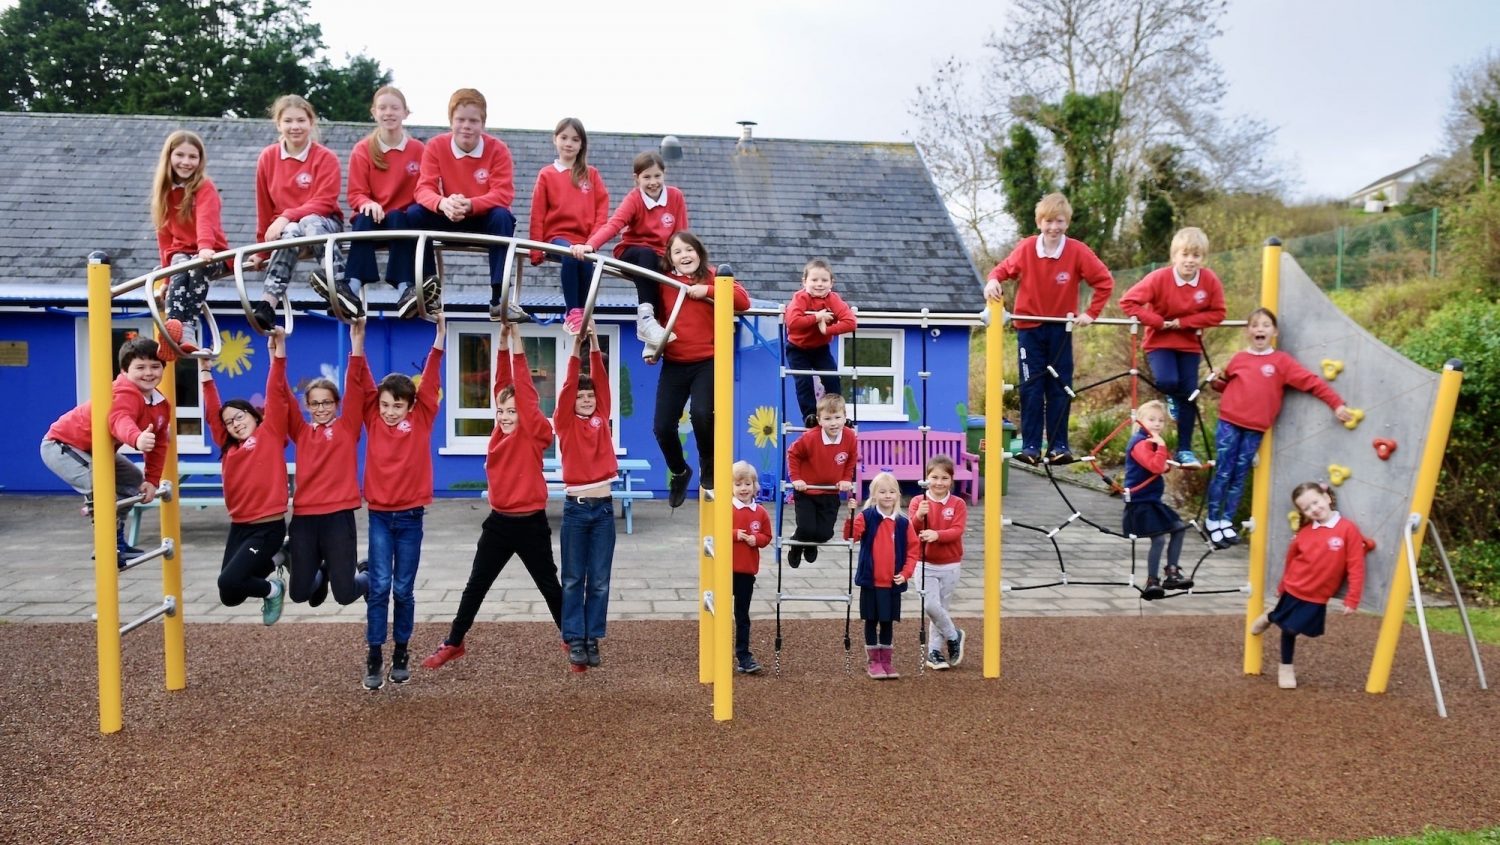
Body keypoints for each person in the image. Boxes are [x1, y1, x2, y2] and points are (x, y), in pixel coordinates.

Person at [422, 322, 564, 670]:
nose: (504, 417)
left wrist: (516, 341)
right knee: (476, 584)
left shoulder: (532, 432)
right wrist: (501, 344)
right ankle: (454, 642)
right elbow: (502, 386)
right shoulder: (499, 432)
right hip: (499, 524)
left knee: (549, 585)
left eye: (512, 412)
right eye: (500, 412)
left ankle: (572, 638)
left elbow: (524, 392)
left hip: (531, 524)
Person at [982, 192, 1113, 466]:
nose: (1054, 227)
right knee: (1031, 387)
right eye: (1048, 221)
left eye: (1060, 221)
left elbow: (1104, 281)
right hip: (1029, 328)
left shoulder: (1077, 251)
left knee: (1059, 386)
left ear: (1067, 223)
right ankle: (1030, 446)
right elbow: (1001, 271)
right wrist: (993, 281)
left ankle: (1058, 446)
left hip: (1060, 329)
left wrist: (1091, 313)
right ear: (1039, 222)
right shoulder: (1027, 248)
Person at [1206, 308, 1354, 548]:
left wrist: (1336, 404)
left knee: (1240, 475)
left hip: (1255, 427)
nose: (1260, 329)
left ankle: (1226, 520)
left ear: (1274, 331)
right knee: (1224, 471)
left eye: (1266, 325)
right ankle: (1212, 520)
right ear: (1248, 331)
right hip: (1229, 422)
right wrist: (1215, 382)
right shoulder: (1238, 359)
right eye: (1255, 325)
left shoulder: (1282, 362)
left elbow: (1312, 383)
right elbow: (1227, 386)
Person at [354, 316, 445, 690]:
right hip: (379, 516)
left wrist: (440, 338)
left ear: (411, 406)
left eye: (397, 405)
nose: (390, 411)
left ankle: (401, 653)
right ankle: (375, 655)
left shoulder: (422, 418)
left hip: (410, 518)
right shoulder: (372, 419)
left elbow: (432, 379)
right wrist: (357, 342)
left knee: (403, 589)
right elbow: (360, 382)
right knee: (379, 588)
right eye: (385, 405)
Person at [40, 337, 170, 568]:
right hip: (62, 445)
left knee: (132, 480)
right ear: (125, 371)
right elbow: (119, 420)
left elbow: (159, 443)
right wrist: (137, 438)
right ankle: (105, 544)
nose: (149, 373)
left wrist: (152, 480)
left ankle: (116, 540)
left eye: (155, 366)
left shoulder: (160, 403)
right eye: (140, 367)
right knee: (101, 484)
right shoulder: (123, 392)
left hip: (97, 452)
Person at [278, 320, 369, 616]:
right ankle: (322, 567)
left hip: (338, 518)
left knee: (345, 595)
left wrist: (357, 342)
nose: (321, 408)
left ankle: (369, 573)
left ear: (337, 404)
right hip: (304, 519)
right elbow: (282, 395)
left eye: (327, 402)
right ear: (307, 406)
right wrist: (277, 352)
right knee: (299, 593)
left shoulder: (347, 427)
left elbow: (355, 386)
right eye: (315, 404)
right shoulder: (302, 432)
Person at [200, 330, 291, 625]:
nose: (235, 424)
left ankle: (273, 588)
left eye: (240, 416)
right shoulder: (229, 448)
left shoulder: (269, 433)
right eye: (229, 422)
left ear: (254, 415)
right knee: (230, 595)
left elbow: (276, 391)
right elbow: (213, 413)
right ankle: (279, 557)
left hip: (267, 528)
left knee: (229, 580)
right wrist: (205, 371)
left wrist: (277, 352)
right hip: (239, 527)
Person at [653, 232, 750, 507]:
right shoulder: (665, 283)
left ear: (699, 252)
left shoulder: (714, 276)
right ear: (670, 258)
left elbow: (743, 302)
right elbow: (655, 321)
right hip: (674, 362)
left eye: (689, 250)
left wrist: (707, 291)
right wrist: (653, 349)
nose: (684, 256)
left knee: (702, 414)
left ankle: (708, 462)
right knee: (662, 426)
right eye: (677, 252)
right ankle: (679, 471)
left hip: (707, 360)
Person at [1119, 226, 1226, 466]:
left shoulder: (1208, 280)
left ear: (1203, 258)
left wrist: (1185, 322)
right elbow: (1128, 302)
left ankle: (1184, 450)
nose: (1190, 260)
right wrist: (1156, 321)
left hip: (1189, 345)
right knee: (1168, 381)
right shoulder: (1159, 278)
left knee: (1189, 395)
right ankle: (1171, 398)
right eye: (1184, 254)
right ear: (1174, 256)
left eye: (1196, 255)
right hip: (1160, 342)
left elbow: (1218, 312)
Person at [412, 88, 521, 321]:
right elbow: (423, 189)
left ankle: (499, 299)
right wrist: (443, 203)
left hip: (481, 218)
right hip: (448, 215)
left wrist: (470, 204)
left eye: (473, 121)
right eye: (460, 120)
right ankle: (428, 291)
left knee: (502, 216)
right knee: (414, 214)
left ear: (483, 123)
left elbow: (503, 194)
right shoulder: (436, 146)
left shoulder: (498, 149)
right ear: (451, 121)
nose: (466, 126)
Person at [246, 94, 350, 331]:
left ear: (311, 122)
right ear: (278, 124)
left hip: (323, 223)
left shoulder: (325, 157)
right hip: (288, 231)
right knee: (292, 231)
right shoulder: (268, 158)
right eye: (288, 121)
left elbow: (325, 201)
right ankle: (268, 303)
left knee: (308, 221)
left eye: (301, 120)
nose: (295, 127)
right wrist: (262, 249)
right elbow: (264, 206)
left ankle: (338, 287)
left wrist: (286, 216)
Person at [1251, 481, 1367, 690]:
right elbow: (1291, 560)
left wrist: (1353, 598)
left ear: (1327, 498)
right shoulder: (1304, 532)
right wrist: (1282, 585)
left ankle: (1272, 616)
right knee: (1290, 629)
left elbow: (1356, 564)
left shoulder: (1347, 529)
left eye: (1315, 502)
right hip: (1294, 587)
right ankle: (1286, 667)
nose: (1313, 509)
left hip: (1319, 595)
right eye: (1306, 508)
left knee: (1308, 630)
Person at [572, 151, 690, 355]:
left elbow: (681, 234)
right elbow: (614, 224)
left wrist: (683, 263)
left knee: (667, 278)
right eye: (646, 177)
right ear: (637, 179)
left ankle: (653, 337)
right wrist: (590, 245)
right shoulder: (635, 198)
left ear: (664, 174)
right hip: (633, 252)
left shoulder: (675, 196)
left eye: (657, 176)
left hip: (661, 257)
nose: (653, 182)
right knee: (647, 256)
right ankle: (645, 319)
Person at [554, 326, 617, 670]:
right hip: (577, 511)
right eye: (581, 397)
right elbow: (567, 388)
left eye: (590, 396)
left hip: (603, 510)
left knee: (600, 580)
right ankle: (575, 639)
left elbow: (602, 381)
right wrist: (575, 348)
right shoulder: (564, 422)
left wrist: (593, 341)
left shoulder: (601, 417)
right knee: (574, 578)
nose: (588, 400)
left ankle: (592, 637)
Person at [345, 85, 434, 320]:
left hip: (401, 221)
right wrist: (367, 202)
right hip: (372, 220)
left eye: (394, 108)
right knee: (364, 217)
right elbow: (355, 193)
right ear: (374, 112)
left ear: (405, 113)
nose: (388, 113)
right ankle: (351, 285)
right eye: (382, 108)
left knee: (398, 216)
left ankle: (405, 287)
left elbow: (426, 189)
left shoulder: (419, 150)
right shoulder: (362, 149)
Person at [152, 129, 229, 357]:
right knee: (179, 264)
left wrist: (205, 247)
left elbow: (206, 220)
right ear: (169, 156)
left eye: (192, 157)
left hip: (212, 252)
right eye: (180, 155)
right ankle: (173, 326)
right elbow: (165, 239)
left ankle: (187, 327)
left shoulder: (204, 187)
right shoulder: (164, 192)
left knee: (195, 265)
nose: (186, 162)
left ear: (200, 160)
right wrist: (166, 278)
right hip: (182, 253)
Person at [530, 117, 609, 336]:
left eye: (575, 139)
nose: (569, 143)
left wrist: (592, 242)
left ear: (581, 144)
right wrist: (535, 250)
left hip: (585, 239)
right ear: (555, 139)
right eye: (564, 138)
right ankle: (572, 312)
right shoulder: (547, 174)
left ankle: (583, 312)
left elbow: (602, 212)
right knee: (571, 254)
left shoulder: (591, 175)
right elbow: (537, 214)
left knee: (586, 260)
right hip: (557, 236)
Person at [845, 471, 919, 680]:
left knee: (887, 622)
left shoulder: (903, 522)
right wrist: (851, 515)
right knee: (871, 620)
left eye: (892, 492)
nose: (887, 495)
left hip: (892, 583)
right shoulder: (867, 516)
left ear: (898, 495)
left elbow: (913, 550)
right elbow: (851, 536)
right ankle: (874, 662)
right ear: (874, 495)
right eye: (883, 491)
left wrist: (906, 573)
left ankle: (886, 661)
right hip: (871, 582)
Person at [1122, 400, 1191, 600]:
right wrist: (1160, 446)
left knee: (1178, 528)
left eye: (1161, 420)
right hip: (1140, 502)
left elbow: (1165, 465)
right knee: (1159, 538)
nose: (1157, 424)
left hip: (1152, 500)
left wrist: (1161, 448)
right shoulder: (1139, 443)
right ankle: (1152, 581)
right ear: (1140, 421)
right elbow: (1156, 466)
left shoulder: (1151, 440)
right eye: (1151, 419)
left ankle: (1172, 572)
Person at [785, 393, 857, 568]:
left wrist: (846, 479)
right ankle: (797, 543)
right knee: (807, 528)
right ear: (819, 420)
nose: (833, 423)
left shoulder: (849, 437)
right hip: (807, 491)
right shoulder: (810, 438)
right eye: (827, 418)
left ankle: (812, 542)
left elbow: (851, 459)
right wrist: (796, 479)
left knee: (825, 534)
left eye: (837, 417)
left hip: (830, 493)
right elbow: (793, 454)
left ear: (845, 417)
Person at [911, 455, 967, 671]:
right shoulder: (918, 502)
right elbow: (911, 530)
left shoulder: (958, 504)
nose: (939, 482)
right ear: (927, 478)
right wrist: (919, 516)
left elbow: (957, 530)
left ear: (951, 480)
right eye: (934, 477)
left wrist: (937, 535)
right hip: (924, 563)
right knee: (930, 605)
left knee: (940, 609)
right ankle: (954, 635)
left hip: (950, 564)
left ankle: (934, 651)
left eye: (944, 478)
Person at [784, 258, 857, 427]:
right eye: (814, 280)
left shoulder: (833, 299)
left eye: (824, 280)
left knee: (832, 379)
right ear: (804, 282)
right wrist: (817, 317)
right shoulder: (800, 298)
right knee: (804, 381)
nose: (819, 284)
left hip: (820, 348)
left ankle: (838, 414)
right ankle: (810, 416)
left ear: (831, 283)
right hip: (797, 348)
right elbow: (792, 322)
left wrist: (827, 330)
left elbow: (851, 322)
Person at [730, 461, 772, 675]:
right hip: (725, 570)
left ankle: (743, 655)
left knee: (742, 615)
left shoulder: (760, 512)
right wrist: (735, 534)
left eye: (747, 483)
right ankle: (717, 651)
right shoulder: (725, 509)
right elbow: (715, 532)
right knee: (719, 613)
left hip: (746, 572)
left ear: (755, 486)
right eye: (738, 484)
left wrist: (757, 539)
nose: (743, 488)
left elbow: (767, 535)